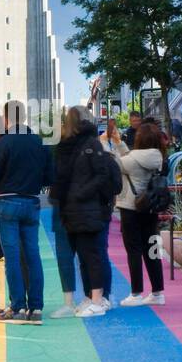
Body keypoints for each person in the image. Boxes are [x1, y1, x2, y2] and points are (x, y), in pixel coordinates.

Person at [0, 99, 55, 325]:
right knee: (33, 255)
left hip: (7, 200)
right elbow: (49, 176)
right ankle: (35, 307)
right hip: (32, 201)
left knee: (12, 257)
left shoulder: (3, 144)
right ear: (24, 117)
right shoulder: (38, 142)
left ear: (6, 118)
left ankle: (17, 307)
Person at [50, 107, 114, 318]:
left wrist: (81, 192)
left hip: (85, 206)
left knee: (92, 253)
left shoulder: (88, 144)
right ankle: (91, 296)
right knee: (85, 255)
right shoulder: (72, 146)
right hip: (73, 207)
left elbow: (100, 174)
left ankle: (98, 298)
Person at [116, 123, 168, 307]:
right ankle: (158, 292)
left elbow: (117, 163)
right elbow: (128, 158)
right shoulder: (158, 157)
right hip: (151, 206)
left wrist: (113, 144)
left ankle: (136, 292)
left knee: (134, 249)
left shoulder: (132, 158)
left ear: (139, 139)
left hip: (131, 206)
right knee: (152, 249)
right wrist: (121, 145)